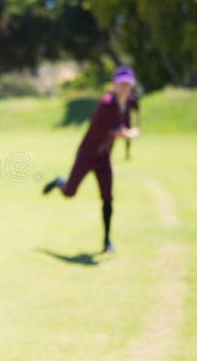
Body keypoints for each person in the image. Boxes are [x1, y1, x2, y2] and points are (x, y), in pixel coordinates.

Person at [42, 66, 140, 253]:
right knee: (70, 193)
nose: (125, 88)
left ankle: (106, 241)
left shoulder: (127, 104)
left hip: (103, 158)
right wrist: (132, 134)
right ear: (115, 85)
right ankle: (59, 182)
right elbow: (119, 132)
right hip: (87, 155)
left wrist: (130, 132)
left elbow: (125, 124)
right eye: (122, 84)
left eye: (128, 84)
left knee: (108, 198)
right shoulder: (106, 104)